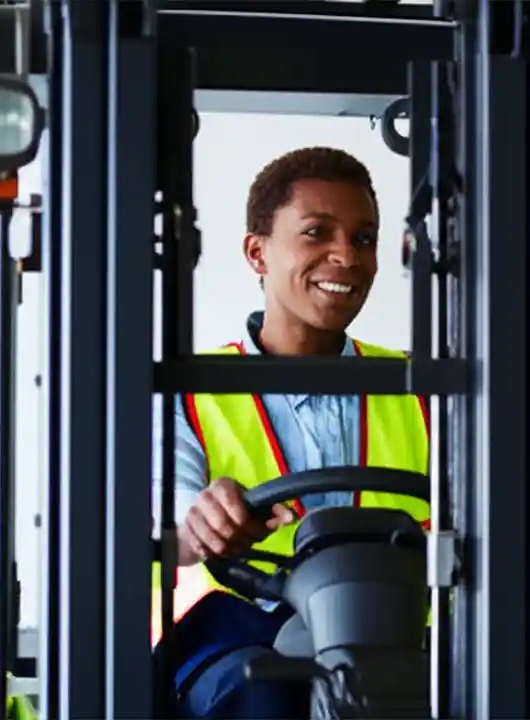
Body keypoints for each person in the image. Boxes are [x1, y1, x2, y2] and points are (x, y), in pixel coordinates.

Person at [148, 146, 431, 719]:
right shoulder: (189, 387)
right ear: (258, 252)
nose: (346, 256)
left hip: (391, 628)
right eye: (316, 233)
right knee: (267, 693)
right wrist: (205, 521)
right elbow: (170, 523)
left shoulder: (425, 387)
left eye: (364, 238)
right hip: (237, 629)